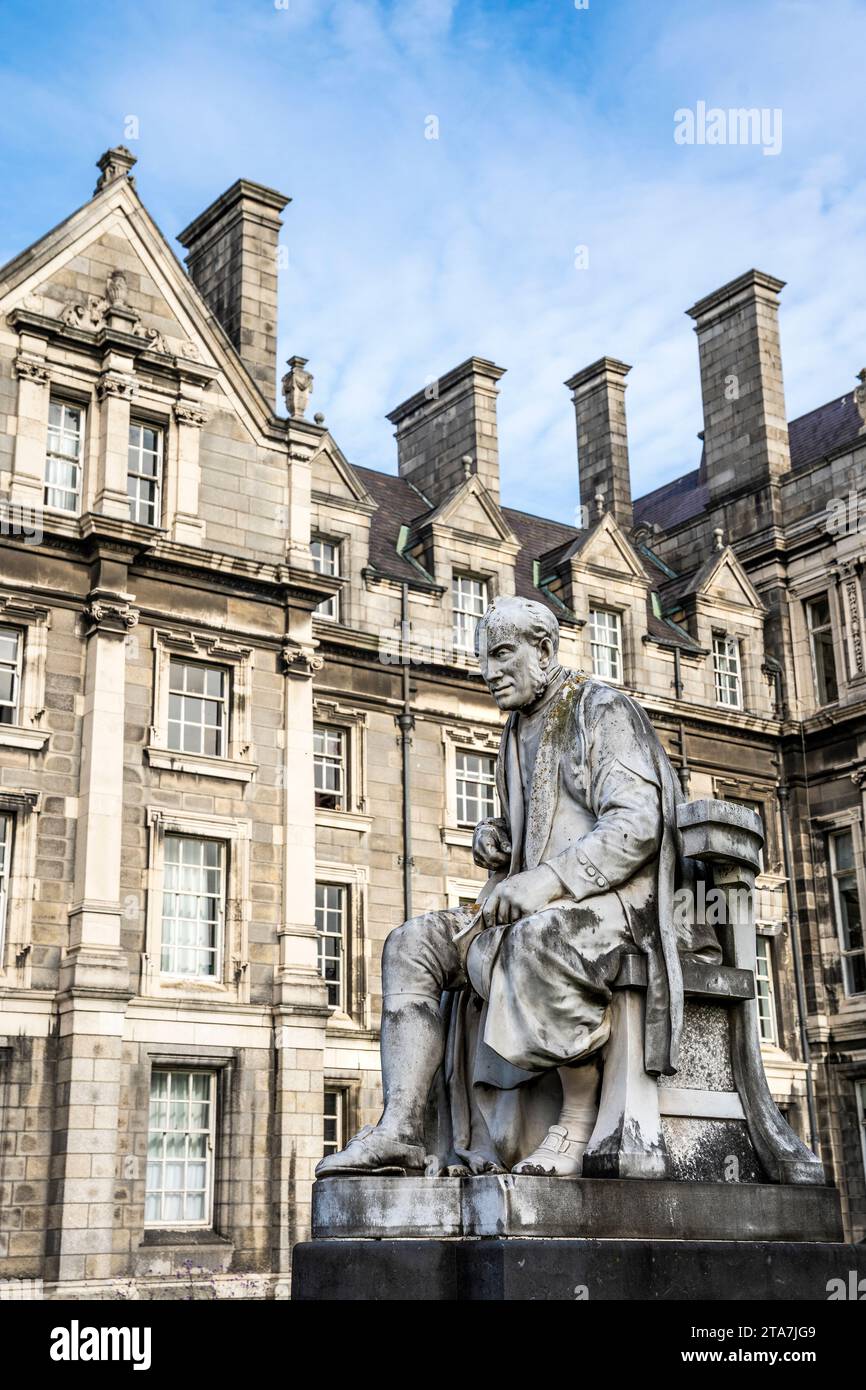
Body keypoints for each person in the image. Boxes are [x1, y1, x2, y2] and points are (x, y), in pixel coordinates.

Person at [316, 595, 719, 1178]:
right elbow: (539, 825)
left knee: (537, 938)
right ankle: (400, 1129)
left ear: (546, 649)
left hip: (621, 904)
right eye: (482, 659)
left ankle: (578, 1119)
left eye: (502, 654)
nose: (488, 672)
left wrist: (547, 880)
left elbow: (637, 823)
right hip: (539, 902)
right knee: (412, 944)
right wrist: (496, 835)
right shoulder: (517, 728)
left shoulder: (599, 708)